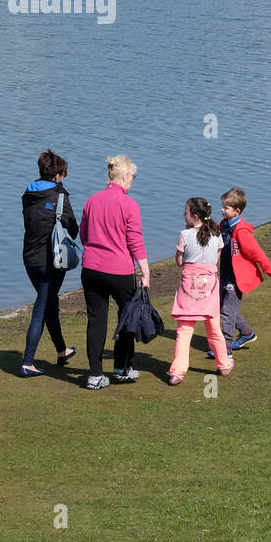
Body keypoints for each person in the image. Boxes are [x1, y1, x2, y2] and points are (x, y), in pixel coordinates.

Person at [78, 154, 151, 389]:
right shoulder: (129, 204)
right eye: (133, 177)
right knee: (127, 317)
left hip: (91, 268)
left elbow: (83, 234)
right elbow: (135, 241)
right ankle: (122, 368)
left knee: (96, 320)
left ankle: (95, 374)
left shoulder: (92, 200)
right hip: (119, 270)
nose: (133, 181)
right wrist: (145, 271)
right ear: (125, 176)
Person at [20, 149, 78, 378]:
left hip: (29, 259)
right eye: (63, 175)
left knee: (49, 301)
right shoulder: (59, 196)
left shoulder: (28, 194)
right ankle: (27, 362)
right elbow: (73, 228)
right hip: (51, 260)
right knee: (42, 307)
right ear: (57, 175)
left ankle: (62, 350)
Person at [168, 198, 233, 385]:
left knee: (184, 329)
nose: (184, 215)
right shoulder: (217, 233)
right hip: (210, 285)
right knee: (213, 327)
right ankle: (223, 364)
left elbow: (179, 261)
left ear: (194, 216)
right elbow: (215, 260)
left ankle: (178, 372)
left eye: (186, 212)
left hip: (189, 285)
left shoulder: (185, 235)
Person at [215, 187, 271, 359]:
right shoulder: (223, 225)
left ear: (236, 211)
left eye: (226, 207)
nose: (222, 210)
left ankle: (225, 348)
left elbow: (257, 253)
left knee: (226, 312)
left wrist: (270, 271)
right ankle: (247, 333)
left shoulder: (242, 232)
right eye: (222, 206)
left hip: (237, 278)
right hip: (225, 274)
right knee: (224, 308)